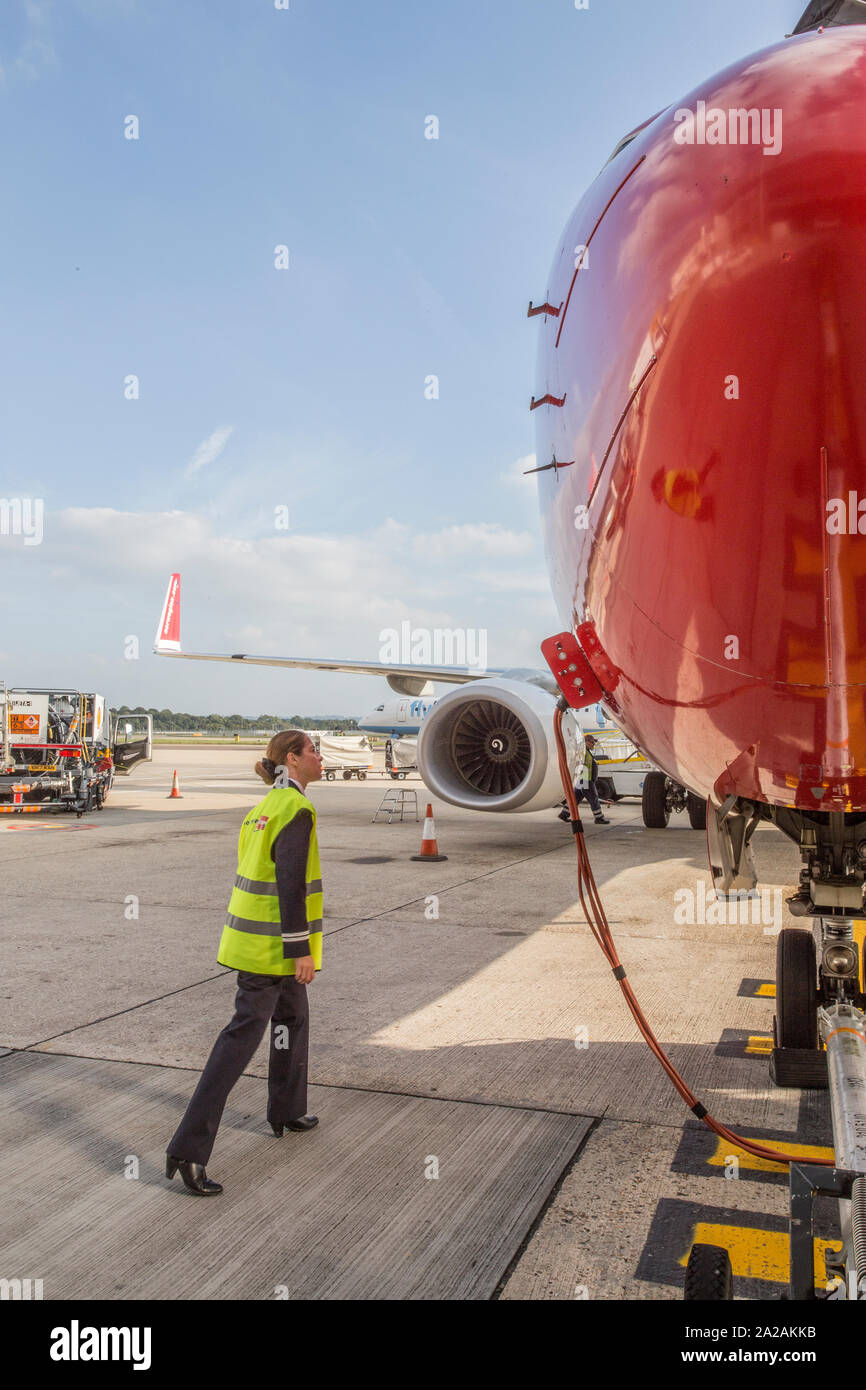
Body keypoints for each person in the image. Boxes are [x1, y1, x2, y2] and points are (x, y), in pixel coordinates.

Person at [165, 729, 324, 1195]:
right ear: (292, 760)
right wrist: (301, 950)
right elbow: (291, 884)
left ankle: (286, 1109)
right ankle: (188, 1148)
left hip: (254, 939)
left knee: (292, 1020)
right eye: (313, 750)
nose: (321, 756)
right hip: (270, 949)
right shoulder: (295, 810)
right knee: (240, 1040)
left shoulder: (263, 809)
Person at [559, 734, 610, 826]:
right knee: (593, 798)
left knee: (575, 798)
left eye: (594, 742)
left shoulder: (587, 752)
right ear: (586, 742)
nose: (593, 744)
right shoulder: (583, 752)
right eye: (592, 742)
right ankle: (599, 818)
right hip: (585, 779)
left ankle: (564, 814)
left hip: (583, 779)